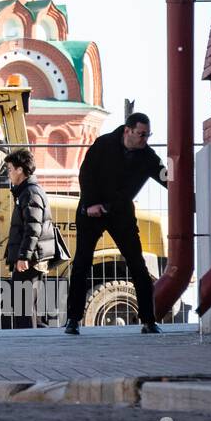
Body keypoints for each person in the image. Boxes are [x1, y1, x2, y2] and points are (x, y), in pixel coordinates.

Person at [64, 112, 167, 335]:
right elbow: (86, 174)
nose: (144, 140)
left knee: (137, 264)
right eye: (141, 134)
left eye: (148, 135)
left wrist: (184, 183)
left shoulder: (147, 155)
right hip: (91, 210)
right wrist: (91, 204)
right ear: (128, 130)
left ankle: (149, 321)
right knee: (82, 262)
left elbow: (165, 176)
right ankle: (73, 320)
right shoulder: (104, 144)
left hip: (120, 213)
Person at [4, 149, 63, 327]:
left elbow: (32, 229)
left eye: (10, 169)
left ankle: (26, 343)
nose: (9, 173)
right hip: (31, 258)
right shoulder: (26, 192)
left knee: (24, 307)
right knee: (28, 307)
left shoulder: (30, 193)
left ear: (20, 170)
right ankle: (37, 340)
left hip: (30, 260)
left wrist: (24, 257)